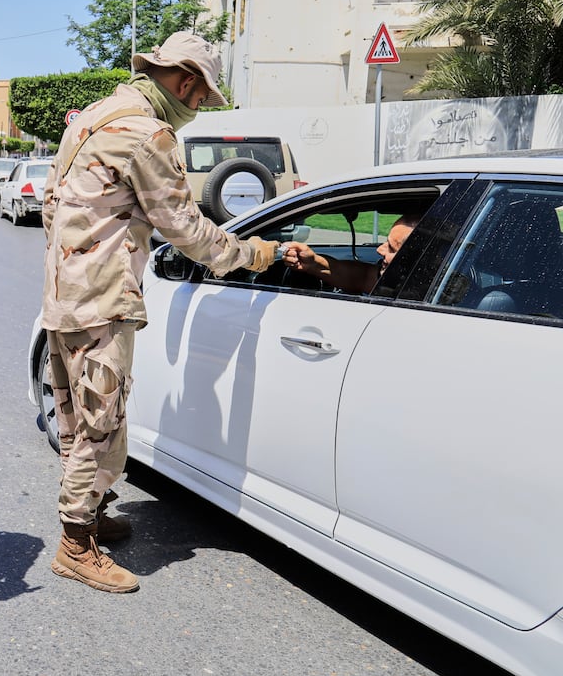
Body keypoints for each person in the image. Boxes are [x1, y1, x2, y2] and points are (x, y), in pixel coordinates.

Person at [41, 32, 281, 594]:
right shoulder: (148, 133)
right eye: (202, 98)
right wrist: (253, 255)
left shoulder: (95, 116)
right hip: (102, 300)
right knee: (101, 423)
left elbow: (54, 207)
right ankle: (76, 544)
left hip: (64, 296)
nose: (199, 109)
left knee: (78, 417)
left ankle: (92, 513)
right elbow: (185, 229)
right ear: (187, 80)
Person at [281, 213, 420, 292]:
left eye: (391, 247)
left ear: (413, 259)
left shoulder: (419, 293)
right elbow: (364, 277)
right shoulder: (404, 278)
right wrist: (313, 263)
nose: (379, 249)